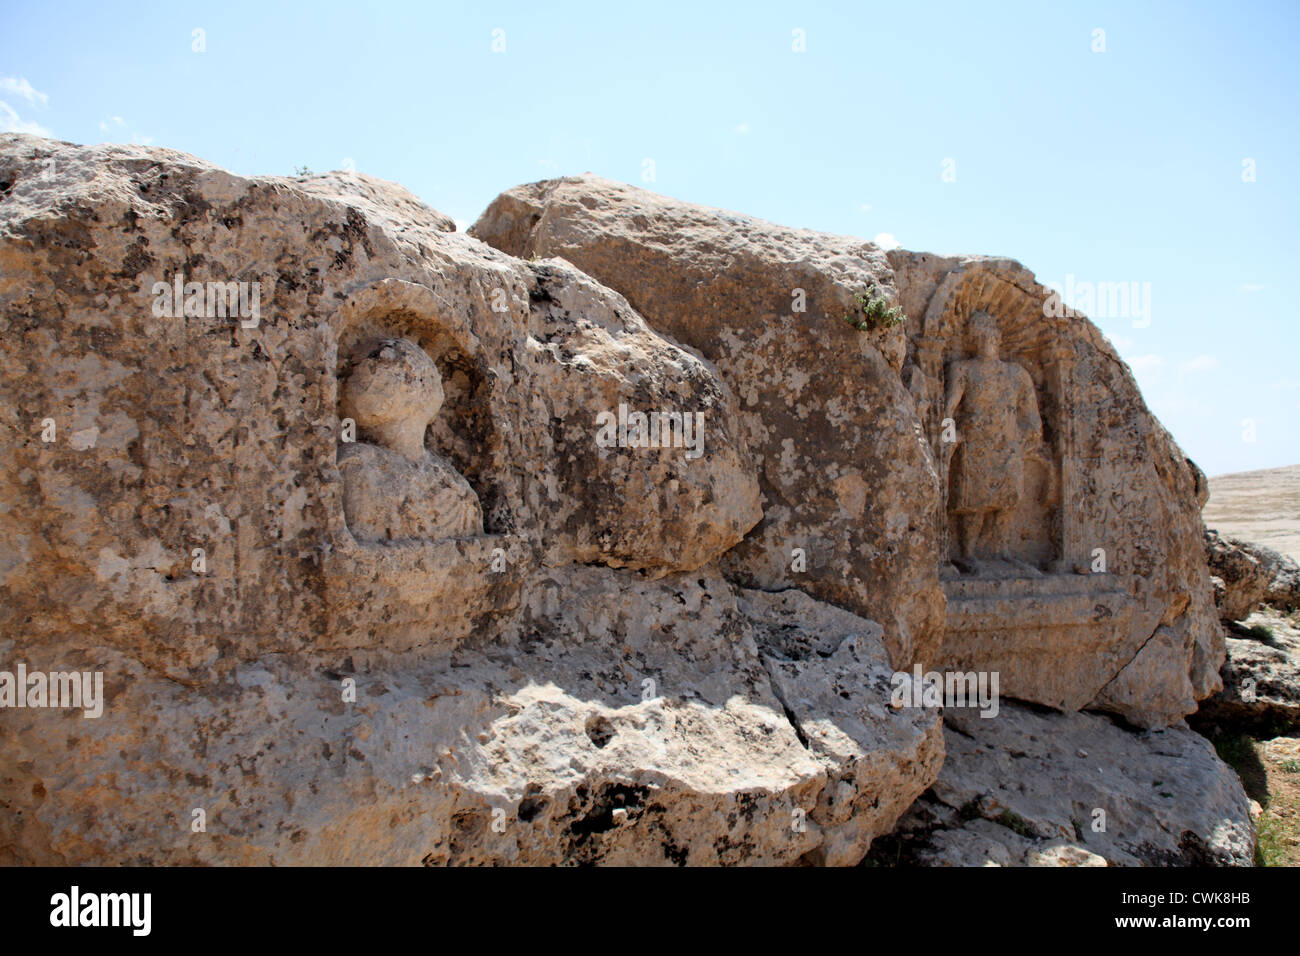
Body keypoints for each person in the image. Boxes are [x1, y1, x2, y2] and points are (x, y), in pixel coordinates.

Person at [337, 338, 483, 543]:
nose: (356, 375)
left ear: (418, 385)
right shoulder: (360, 467)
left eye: (382, 362)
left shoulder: (456, 489)